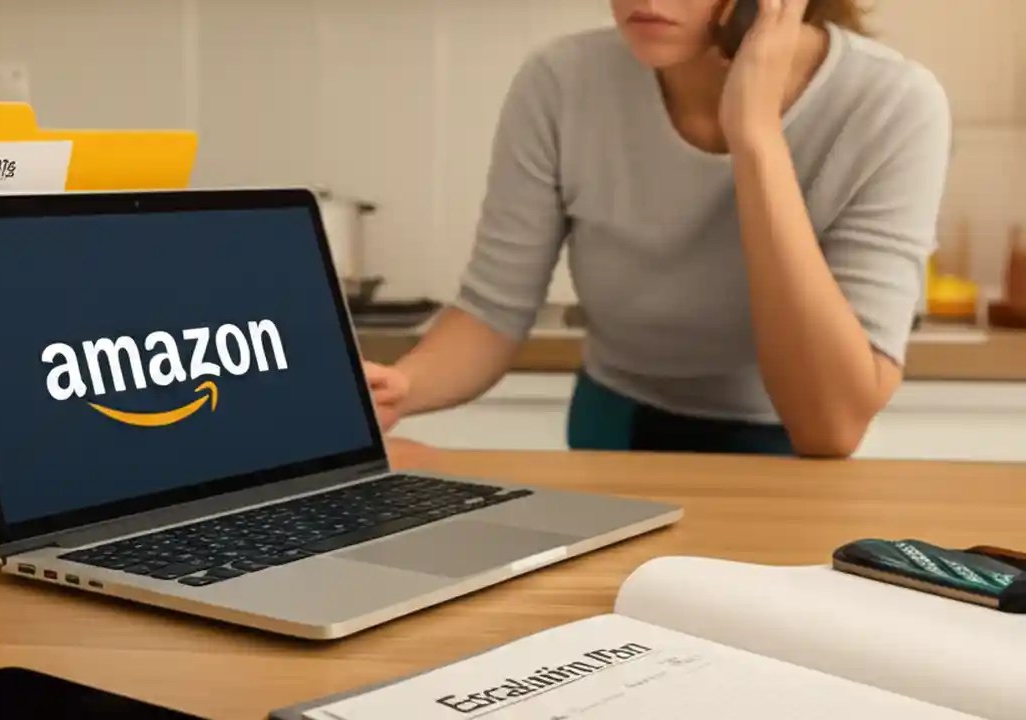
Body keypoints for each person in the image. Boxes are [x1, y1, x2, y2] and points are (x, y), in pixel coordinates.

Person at [365, 0, 951, 458]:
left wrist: (755, 134)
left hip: (791, 450)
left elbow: (830, 427)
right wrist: (401, 388)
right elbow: (492, 311)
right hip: (615, 423)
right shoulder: (561, 80)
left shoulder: (892, 104)